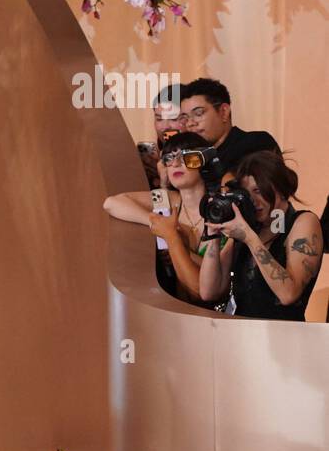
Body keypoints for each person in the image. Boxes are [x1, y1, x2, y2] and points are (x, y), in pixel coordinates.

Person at [199, 151, 323, 320]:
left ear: (280, 189)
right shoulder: (248, 227)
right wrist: (214, 237)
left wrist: (250, 238)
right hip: (241, 336)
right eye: (247, 193)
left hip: (283, 339)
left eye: (258, 190)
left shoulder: (303, 222)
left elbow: (288, 294)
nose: (253, 200)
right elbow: (208, 292)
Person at [105, 131, 223, 307]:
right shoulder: (168, 200)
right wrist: (157, 223)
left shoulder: (219, 207)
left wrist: (174, 241)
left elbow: (208, 283)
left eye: (184, 157)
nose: (175, 164)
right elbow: (112, 203)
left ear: (202, 161)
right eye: (168, 158)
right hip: (180, 305)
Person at [179, 78, 280, 175]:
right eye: (185, 118)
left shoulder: (256, 142)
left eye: (198, 113)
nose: (190, 123)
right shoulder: (191, 157)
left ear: (224, 112)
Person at [139, 83, 184, 190]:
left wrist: (165, 183)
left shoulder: (198, 156)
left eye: (173, 119)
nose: (164, 127)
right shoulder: (154, 156)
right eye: (159, 119)